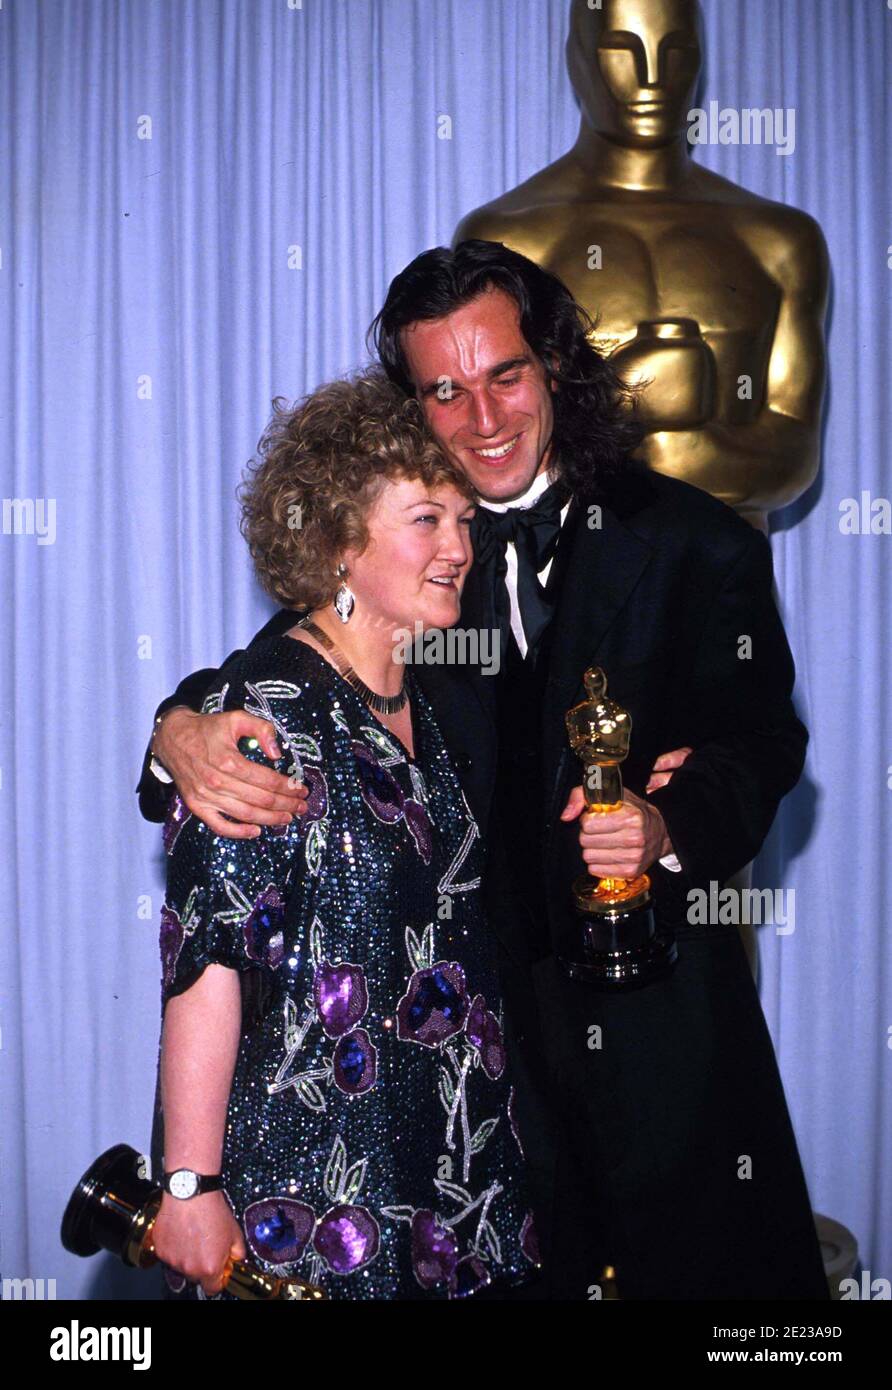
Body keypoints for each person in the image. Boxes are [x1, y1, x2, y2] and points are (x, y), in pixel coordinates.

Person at [141, 241, 829, 1301]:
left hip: (655, 1021)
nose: (485, 419)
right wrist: (176, 727)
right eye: (445, 392)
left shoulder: (695, 543)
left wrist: (665, 822)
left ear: (553, 363)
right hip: (473, 1070)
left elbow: (764, 742)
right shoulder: (401, 559)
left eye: (505, 375)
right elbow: (288, 670)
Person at [148, 369, 539, 1301]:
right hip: (311, 1202)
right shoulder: (265, 718)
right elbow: (208, 962)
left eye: (463, 520)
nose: (458, 546)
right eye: (425, 520)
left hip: (450, 1180)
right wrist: (190, 1185)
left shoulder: (434, 702)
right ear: (337, 546)